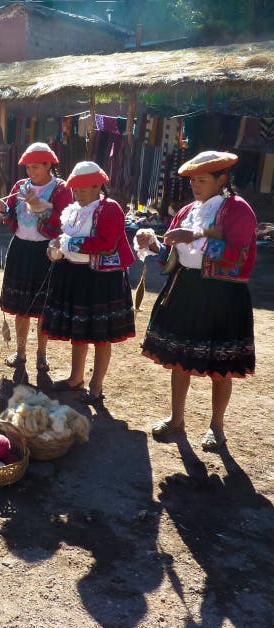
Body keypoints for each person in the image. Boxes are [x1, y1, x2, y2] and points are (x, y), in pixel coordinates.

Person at [137, 151, 257, 450]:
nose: (195, 186)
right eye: (193, 180)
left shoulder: (239, 211)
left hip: (221, 294)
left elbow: (236, 254)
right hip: (186, 289)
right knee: (179, 360)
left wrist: (191, 236)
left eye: (202, 180)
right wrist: (152, 244)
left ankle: (216, 427)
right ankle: (177, 418)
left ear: (222, 179)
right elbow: (171, 255)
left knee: (220, 366)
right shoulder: (188, 210)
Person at [44, 161, 135, 403]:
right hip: (75, 274)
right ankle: (76, 378)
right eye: (76, 188)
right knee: (79, 328)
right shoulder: (74, 209)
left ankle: (96, 386)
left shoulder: (110, 208)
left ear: (98, 186)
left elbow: (107, 244)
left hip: (102, 278)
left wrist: (69, 245)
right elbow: (65, 236)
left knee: (100, 333)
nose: (78, 193)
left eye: (84, 188)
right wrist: (57, 245)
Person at [0, 142, 72, 371]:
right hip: (20, 249)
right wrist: (2, 209)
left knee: (42, 307)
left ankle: (41, 354)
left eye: (36, 167)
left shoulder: (61, 189)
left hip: (46, 251)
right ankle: (20, 353)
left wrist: (40, 206)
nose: (31, 172)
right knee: (21, 306)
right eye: (28, 168)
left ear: (49, 165)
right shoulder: (20, 186)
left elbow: (63, 221)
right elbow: (11, 217)